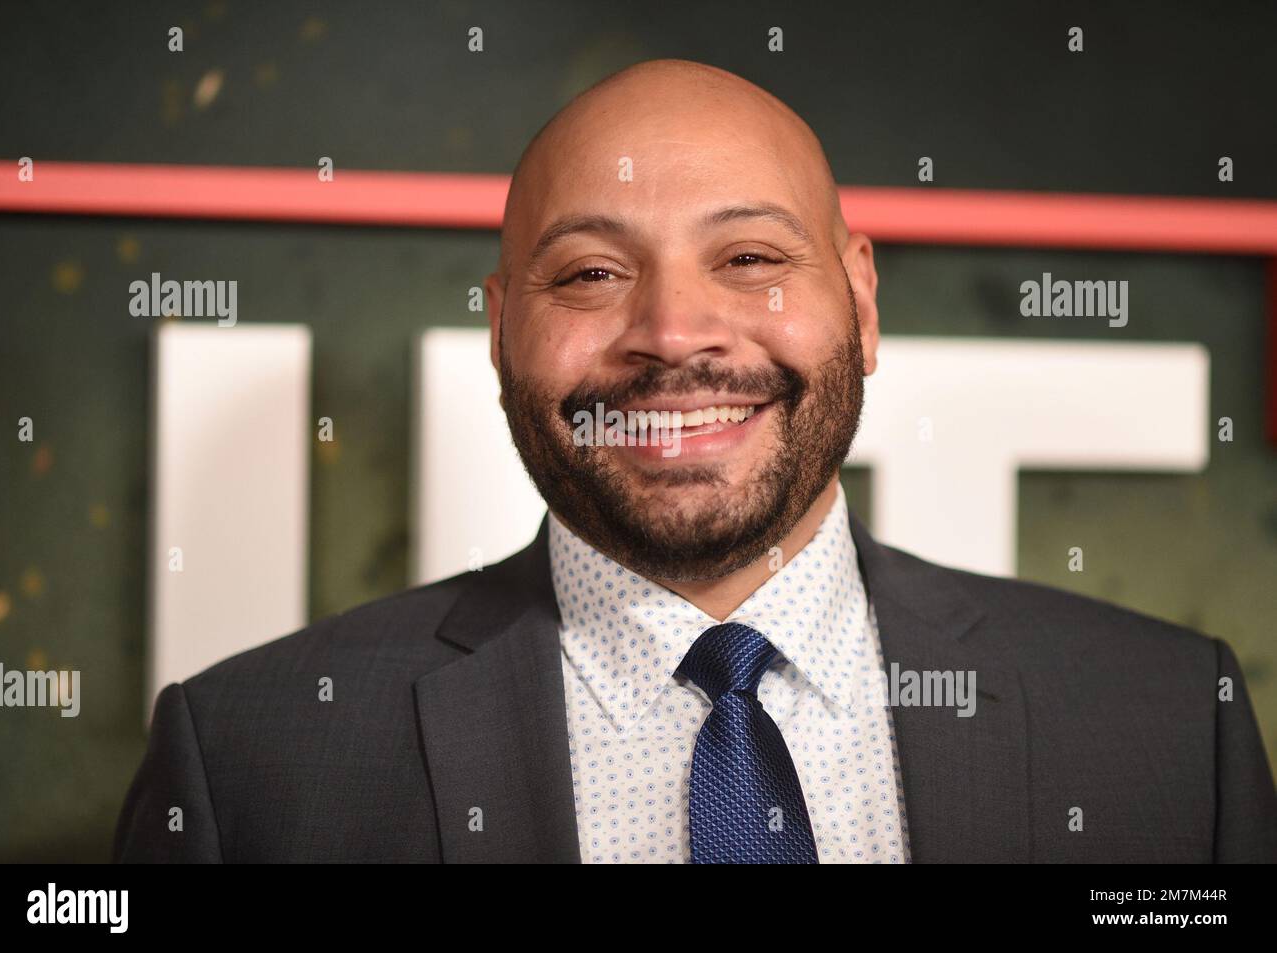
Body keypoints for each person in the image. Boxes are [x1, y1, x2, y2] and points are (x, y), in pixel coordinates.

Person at [115, 59, 1276, 863]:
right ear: (499, 325)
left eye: (750, 256)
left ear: (862, 300)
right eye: (588, 273)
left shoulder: (1166, 724)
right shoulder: (256, 764)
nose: (674, 333)